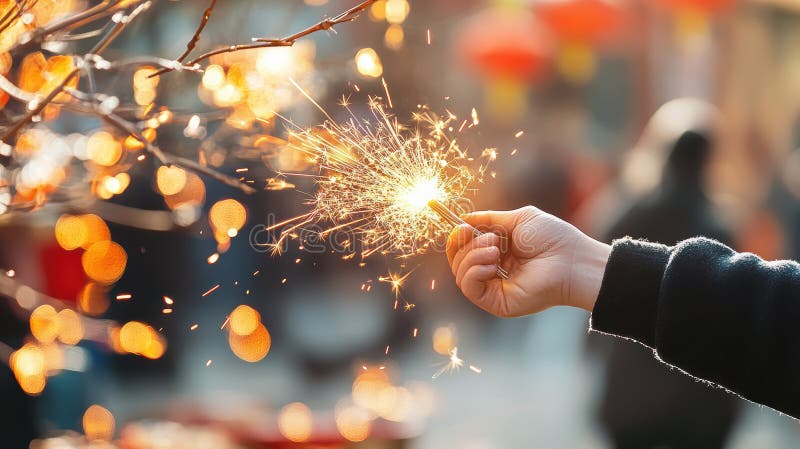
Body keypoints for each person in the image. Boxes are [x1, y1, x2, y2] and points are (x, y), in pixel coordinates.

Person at [445, 201, 800, 419]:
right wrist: (575, 267)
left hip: (635, 397)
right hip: (698, 407)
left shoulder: (629, 201)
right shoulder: (721, 214)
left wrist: (583, 267)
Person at [591, 130, 740, 449]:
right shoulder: (717, 225)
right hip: (699, 395)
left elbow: (598, 277)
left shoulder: (629, 213)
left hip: (633, 392)